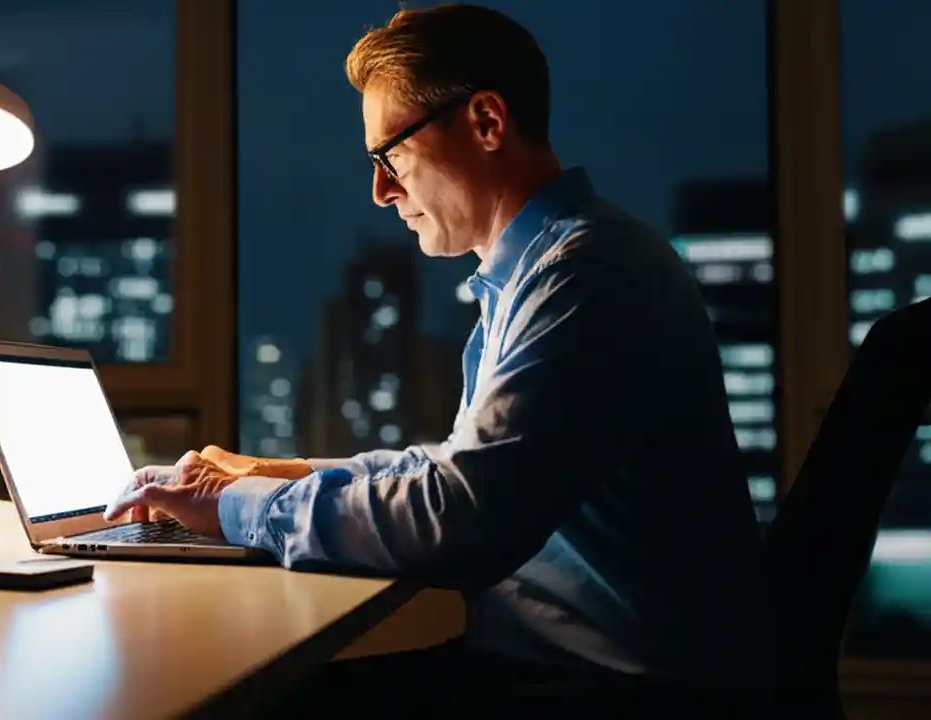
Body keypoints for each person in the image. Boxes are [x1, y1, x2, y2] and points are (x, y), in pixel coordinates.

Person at [107, 2, 787, 711]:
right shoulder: (547, 269)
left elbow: (460, 515)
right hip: (580, 663)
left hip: (630, 688)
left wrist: (236, 507)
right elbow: (461, 470)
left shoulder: (585, 276)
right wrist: (282, 473)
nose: (381, 191)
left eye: (390, 155)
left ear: (487, 122)